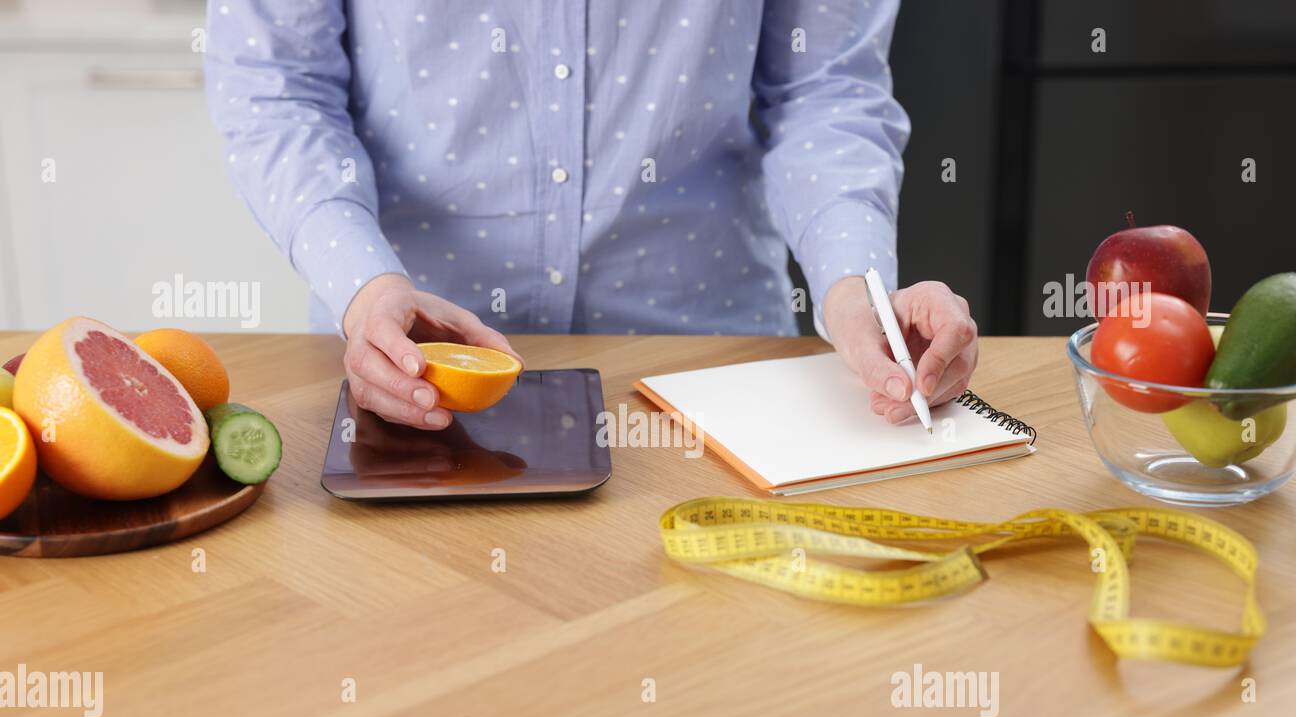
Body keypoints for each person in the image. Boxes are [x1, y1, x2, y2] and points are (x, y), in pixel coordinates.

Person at [206, 1, 977, 431]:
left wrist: (852, 292)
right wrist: (365, 288)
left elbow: (826, 90)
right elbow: (277, 87)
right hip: (399, 380)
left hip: (711, 382)